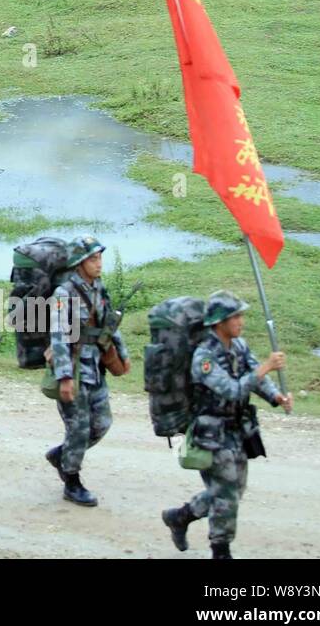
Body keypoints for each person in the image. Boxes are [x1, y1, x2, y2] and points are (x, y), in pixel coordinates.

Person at [161, 291, 291, 559]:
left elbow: (256, 377)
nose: (241, 321)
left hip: (237, 430)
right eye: (236, 317)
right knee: (227, 493)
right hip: (210, 433)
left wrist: (276, 396)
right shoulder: (204, 357)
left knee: (234, 490)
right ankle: (220, 550)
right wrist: (265, 368)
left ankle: (181, 516)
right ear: (220, 321)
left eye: (241, 315)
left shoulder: (239, 347)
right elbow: (232, 390)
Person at [45, 235, 129, 507]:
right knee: (78, 429)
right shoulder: (64, 294)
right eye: (93, 258)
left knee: (102, 423)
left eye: (100, 257)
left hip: (96, 367)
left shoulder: (99, 289)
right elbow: (57, 335)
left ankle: (63, 455)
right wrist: (65, 377)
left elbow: (109, 327)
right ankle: (72, 481)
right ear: (80, 263)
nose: (99, 263)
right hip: (73, 369)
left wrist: (122, 359)